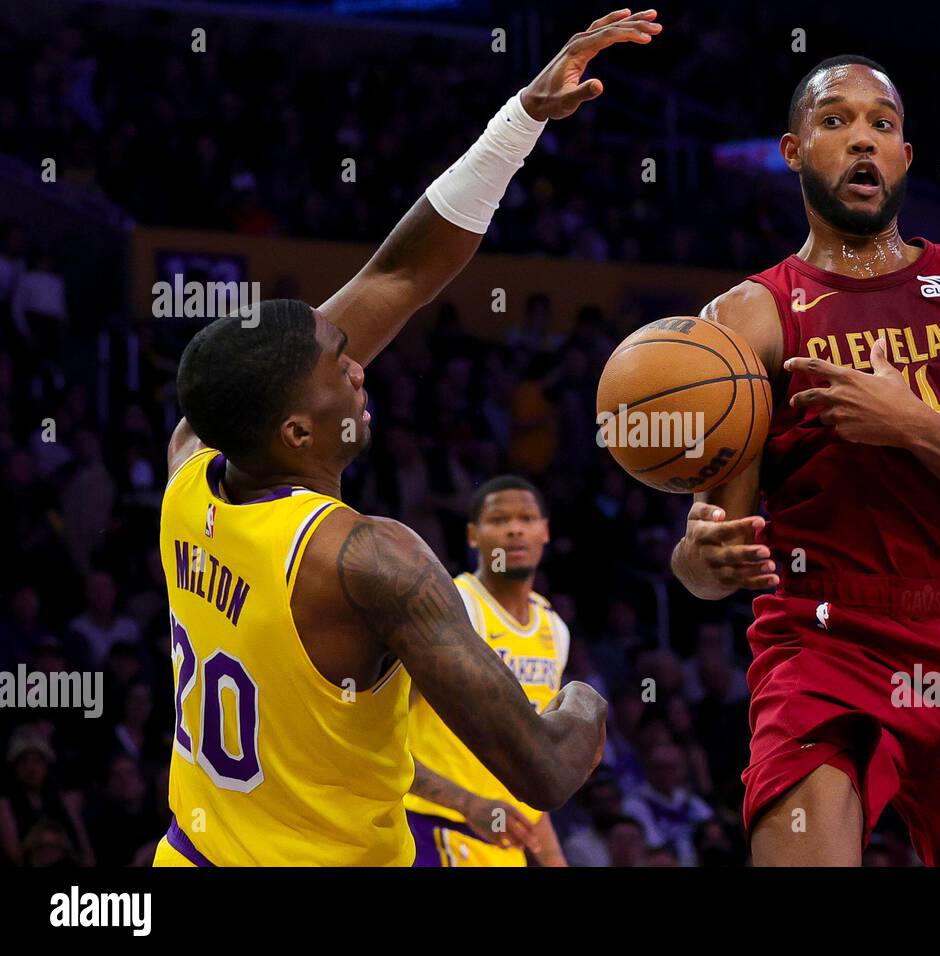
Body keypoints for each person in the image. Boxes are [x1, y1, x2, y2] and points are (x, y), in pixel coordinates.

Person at [153, 9, 662, 867]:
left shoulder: (190, 462)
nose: (359, 364)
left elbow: (398, 273)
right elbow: (543, 768)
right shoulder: (369, 560)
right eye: (336, 364)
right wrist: (584, 696)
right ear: (294, 427)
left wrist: (521, 120)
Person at [671, 55, 940, 865]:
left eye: (881, 125)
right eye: (835, 121)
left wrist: (919, 427)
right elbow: (707, 559)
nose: (862, 140)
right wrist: (701, 556)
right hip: (822, 638)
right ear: (793, 151)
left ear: (904, 156)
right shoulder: (747, 317)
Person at [405, 475, 572, 866]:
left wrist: (553, 858)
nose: (515, 528)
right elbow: (377, 734)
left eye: (527, 518)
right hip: (430, 828)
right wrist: (467, 803)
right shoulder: (451, 608)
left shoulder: (554, 629)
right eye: (498, 520)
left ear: (545, 531)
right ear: (473, 535)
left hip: (502, 846)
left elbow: (531, 763)